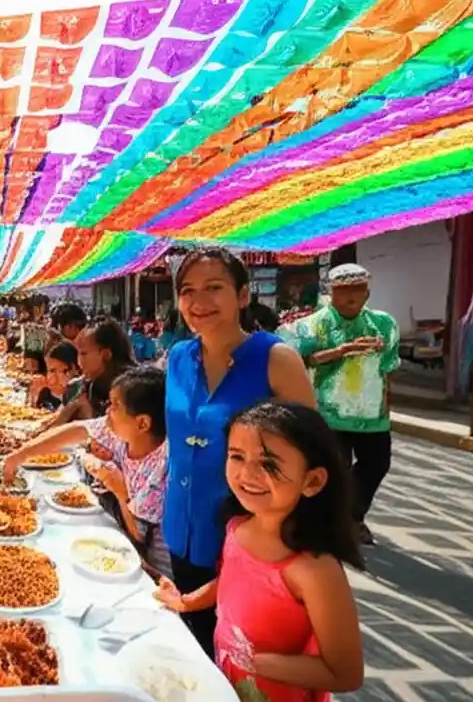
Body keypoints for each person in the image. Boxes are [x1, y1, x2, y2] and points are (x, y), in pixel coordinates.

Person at [164, 246, 316, 657]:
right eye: (188, 290)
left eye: (214, 288)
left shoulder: (275, 359)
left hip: (248, 537)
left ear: (243, 295)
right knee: (192, 643)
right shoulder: (178, 358)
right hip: (180, 527)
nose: (198, 302)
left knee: (240, 653)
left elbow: (311, 452)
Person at [157, 402, 364, 701]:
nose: (247, 474)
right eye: (237, 456)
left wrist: (253, 662)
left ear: (312, 481)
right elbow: (234, 581)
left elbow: (345, 672)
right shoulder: (237, 527)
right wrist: (187, 602)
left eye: (268, 464)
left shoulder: (315, 570)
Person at [5, 365, 170, 576]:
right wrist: (20, 455)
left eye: (115, 405)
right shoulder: (124, 433)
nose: (107, 410)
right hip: (122, 539)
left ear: (143, 423)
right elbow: (78, 430)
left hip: (152, 571)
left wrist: (120, 491)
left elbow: (138, 536)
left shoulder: (161, 468)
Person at [279, 263, 399, 546]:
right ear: (331, 292)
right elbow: (298, 359)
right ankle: (327, 521)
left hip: (371, 414)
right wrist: (340, 351)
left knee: (377, 464)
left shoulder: (383, 324)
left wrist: (386, 400)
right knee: (333, 467)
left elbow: (388, 367)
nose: (351, 296)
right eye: (344, 290)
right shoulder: (312, 325)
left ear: (367, 292)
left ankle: (353, 515)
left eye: (358, 289)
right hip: (329, 412)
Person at [47, 319, 135, 427]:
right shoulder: (86, 387)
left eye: (83, 354)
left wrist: (88, 414)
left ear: (106, 354)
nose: (79, 362)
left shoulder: (134, 390)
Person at [27, 342, 80, 411]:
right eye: (50, 371)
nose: (51, 377)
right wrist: (34, 396)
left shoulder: (78, 392)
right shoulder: (45, 393)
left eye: (54, 370)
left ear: (72, 370)